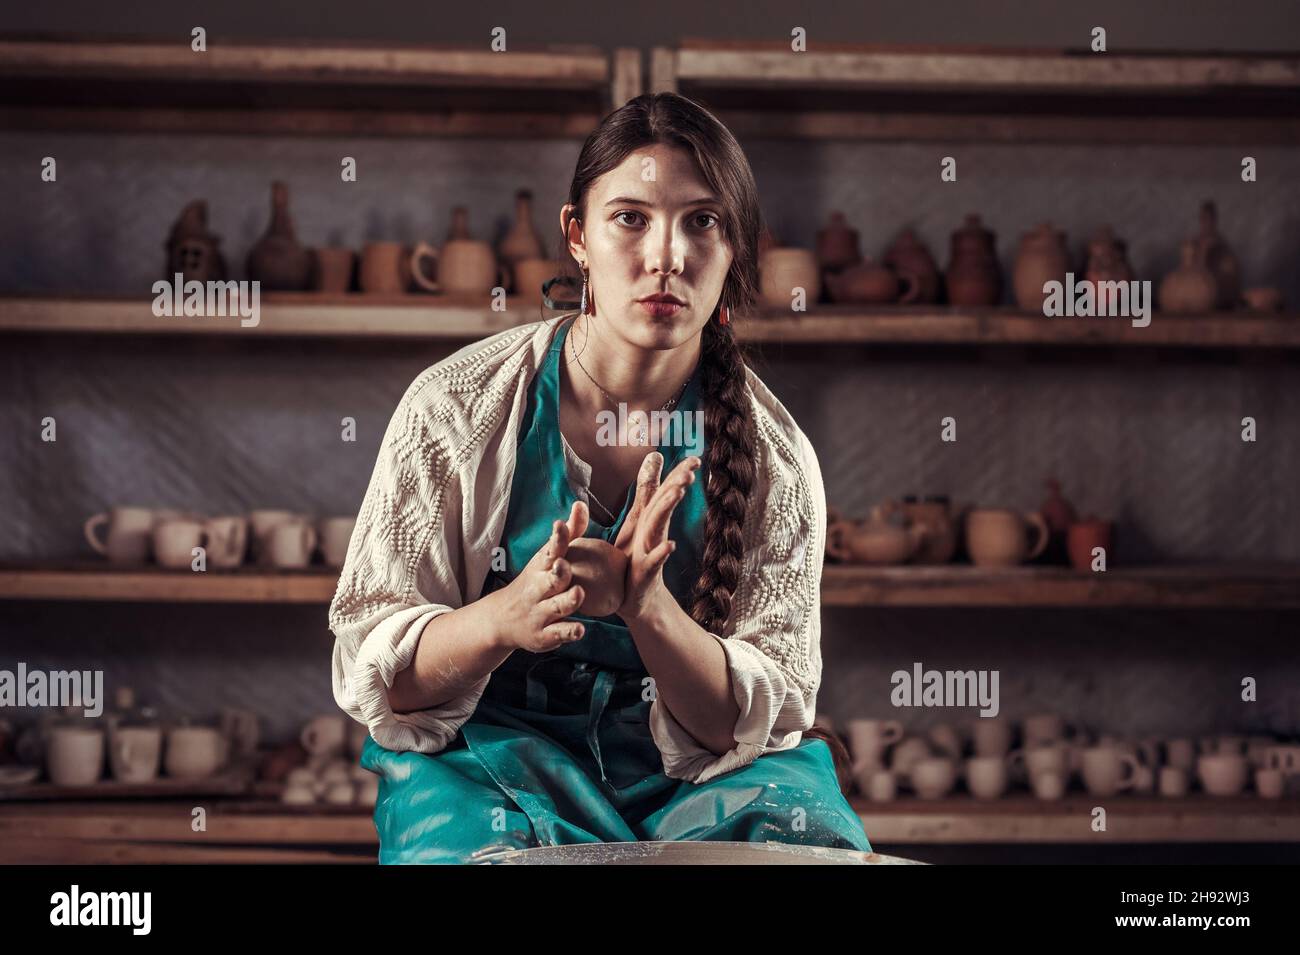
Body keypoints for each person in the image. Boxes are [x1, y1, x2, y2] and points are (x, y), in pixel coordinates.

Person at [327, 92, 871, 864]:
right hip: (495, 759)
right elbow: (378, 676)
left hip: (697, 777)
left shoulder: (776, 457)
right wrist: (505, 615)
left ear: (735, 249)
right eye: (630, 218)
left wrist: (648, 609)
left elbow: (739, 725)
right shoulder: (455, 408)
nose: (666, 257)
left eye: (702, 222)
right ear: (577, 237)